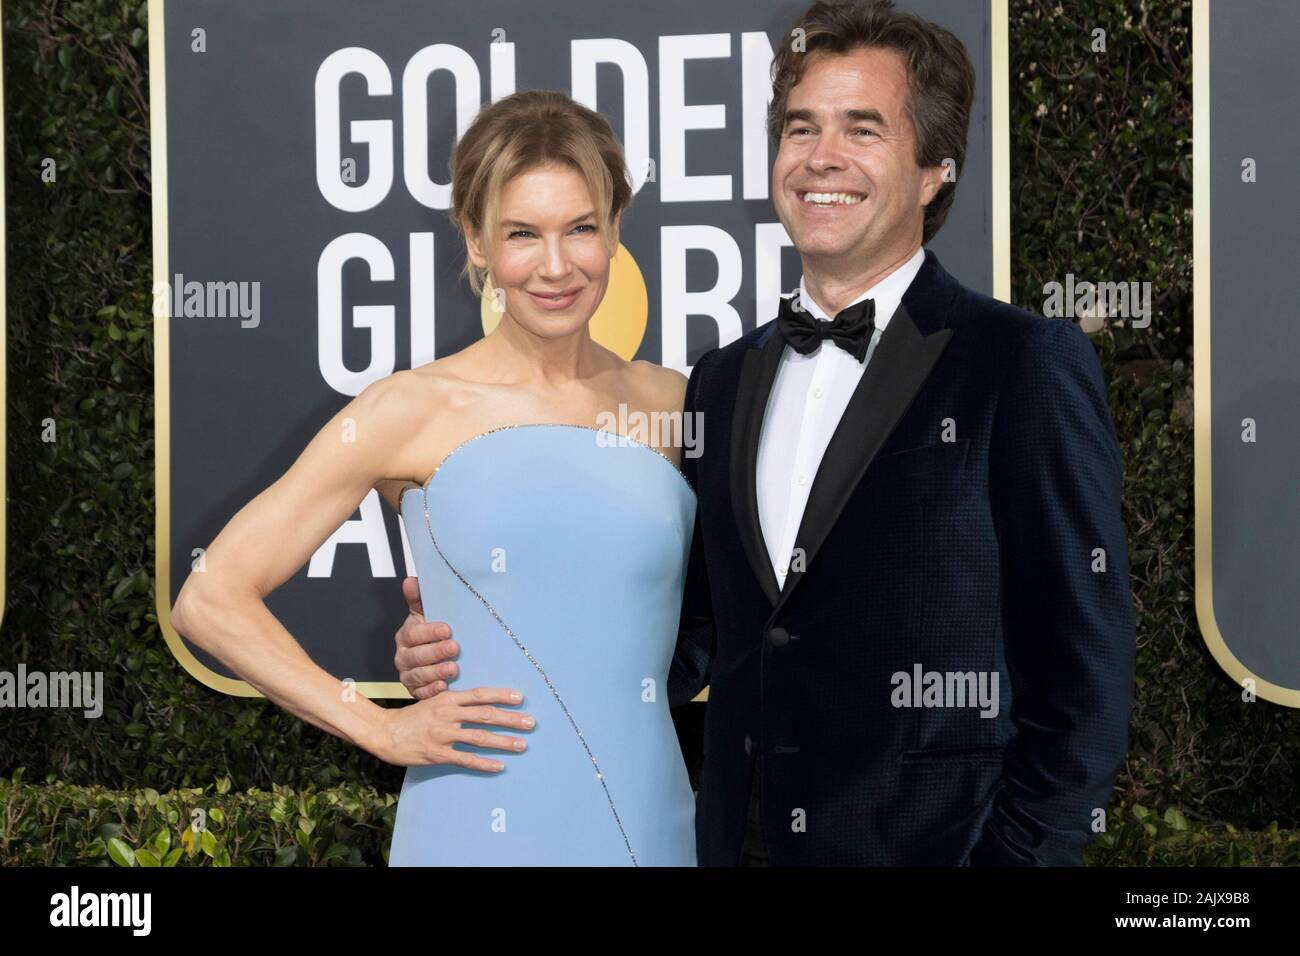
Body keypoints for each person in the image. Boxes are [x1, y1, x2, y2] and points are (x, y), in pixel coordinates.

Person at [395, 0, 1136, 866]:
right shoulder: (722, 380)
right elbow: (693, 638)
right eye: (800, 128)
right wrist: (486, 647)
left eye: (864, 130)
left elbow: (1085, 676)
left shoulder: (1021, 362)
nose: (823, 157)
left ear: (936, 168)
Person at [172, 90, 698, 866]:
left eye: (580, 228)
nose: (556, 266)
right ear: (477, 241)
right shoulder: (408, 409)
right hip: (476, 815)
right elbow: (210, 599)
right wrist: (379, 726)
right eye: (522, 234)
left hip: (649, 820)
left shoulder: (672, 402)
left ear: (615, 229)